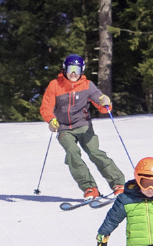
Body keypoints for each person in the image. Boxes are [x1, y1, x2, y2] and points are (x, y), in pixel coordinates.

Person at [39, 54, 125, 201]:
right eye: (70, 69)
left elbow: (101, 104)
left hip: (84, 126)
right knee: (72, 153)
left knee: (94, 152)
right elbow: (46, 107)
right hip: (64, 128)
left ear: (82, 70)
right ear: (64, 69)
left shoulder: (87, 85)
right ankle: (90, 188)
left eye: (77, 70)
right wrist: (51, 120)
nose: (73, 73)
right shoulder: (55, 85)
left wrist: (105, 102)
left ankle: (118, 184)